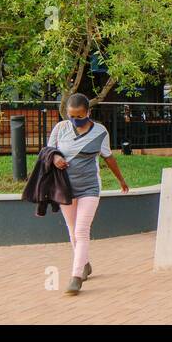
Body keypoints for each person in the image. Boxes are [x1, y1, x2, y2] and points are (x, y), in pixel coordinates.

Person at [48, 93, 128, 295]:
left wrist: (120, 179)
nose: (75, 120)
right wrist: (55, 158)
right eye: (72, 116)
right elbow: (48, 152)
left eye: (80, 116)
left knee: (81, 230)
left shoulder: (100, 131)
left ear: (88, 112)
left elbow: (108, 157)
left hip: (90, 187)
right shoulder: (60, 129)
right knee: (72, 229)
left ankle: (75, 277)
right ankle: (84, 264)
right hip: (65, 187)